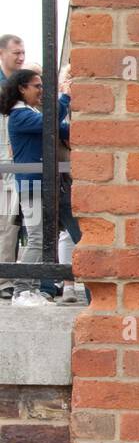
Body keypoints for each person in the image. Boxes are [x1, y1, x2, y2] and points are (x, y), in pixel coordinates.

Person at [0, 67, 79, 304]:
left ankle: (33, 288)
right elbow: (49, 123)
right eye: (37, 86)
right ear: (22, 89)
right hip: (32, 187)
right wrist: (64, 96)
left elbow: (61, 128)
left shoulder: (29, 112)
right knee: (36, 238)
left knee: (46, 238)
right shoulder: (20, 115)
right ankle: (22, 289)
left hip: (43, 186)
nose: (41, 90)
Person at [0, 33, 26, 300]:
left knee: (10, 223)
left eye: (22, 52)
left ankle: (5, 278)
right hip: (4, 166)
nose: (20, 57)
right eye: (15, 52)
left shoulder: (22, 84)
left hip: (14, 166)